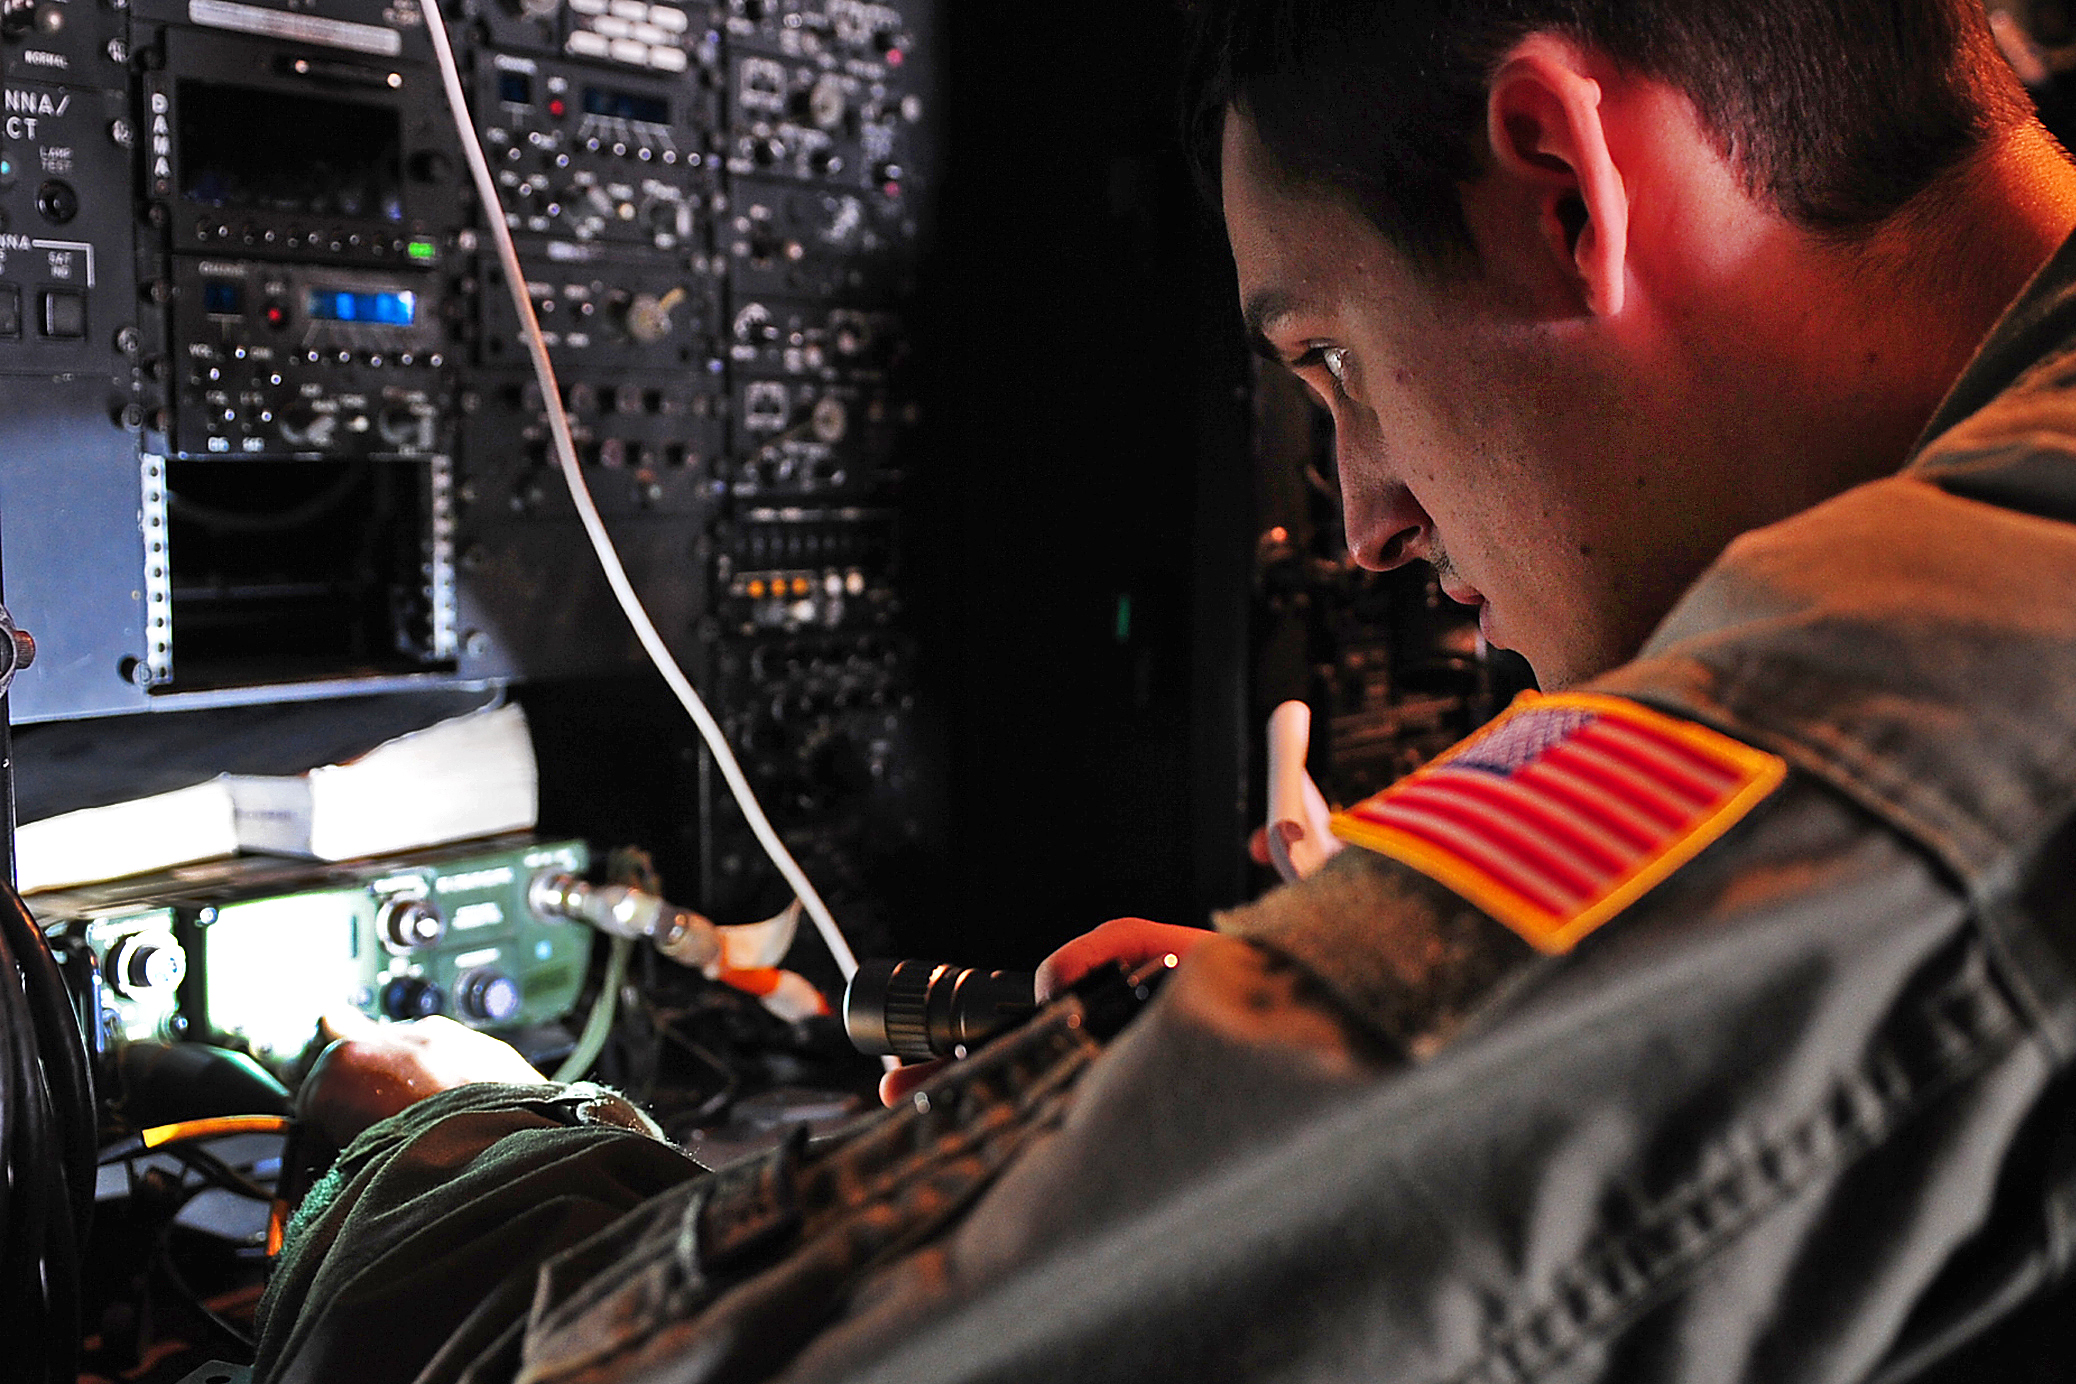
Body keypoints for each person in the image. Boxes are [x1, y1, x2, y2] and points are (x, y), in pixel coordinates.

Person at [255, 1, 2076, 1380]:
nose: (1358, 517)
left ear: (1553, 186)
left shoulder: (1892, 722)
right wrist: (1318, 1056)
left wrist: (445, 1142)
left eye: (1330, 358)